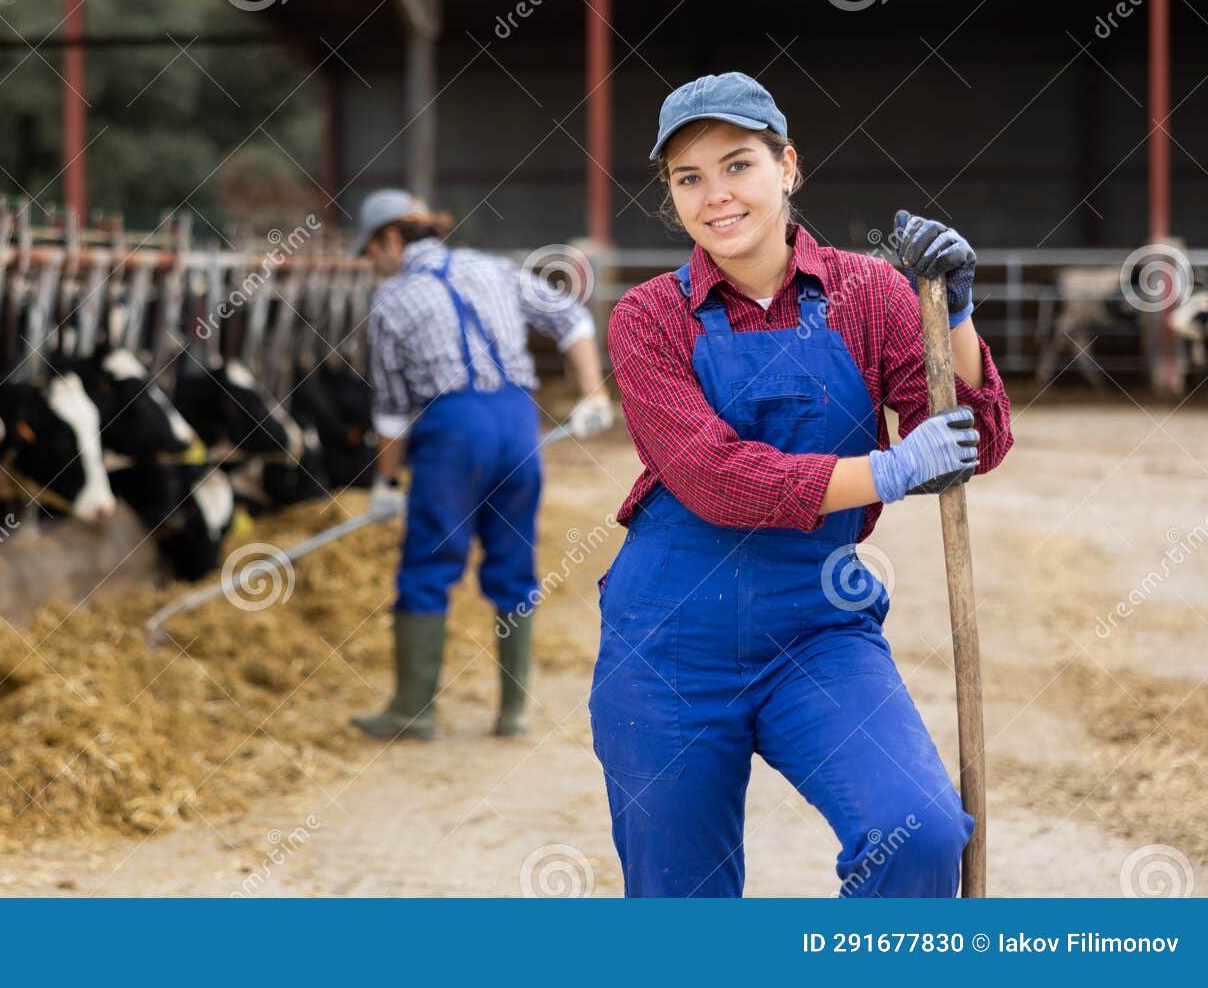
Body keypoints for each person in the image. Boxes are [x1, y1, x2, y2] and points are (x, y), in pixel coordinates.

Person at [593, 72, 1014, 897]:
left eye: (737, 164)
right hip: (669, 640)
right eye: (689, 178)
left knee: (921, 834)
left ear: (788, 166)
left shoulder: (872, 293)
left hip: (819, 624)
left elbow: (979, 442)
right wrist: (889, 470)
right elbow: (713, 477)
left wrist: (955, 319)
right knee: (685, 911)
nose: (716, 195)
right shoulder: (647, 318)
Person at [351, 189, 612, 740]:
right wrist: (592, 394)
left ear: (393, 238)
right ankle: (512, 713)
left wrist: (386, 481)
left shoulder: (390, 301)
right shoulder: (489, 267)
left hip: (452, 429)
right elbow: (571, 318)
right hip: (519, 421)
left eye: (371, 251)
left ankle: (413, 712)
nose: (371, 264)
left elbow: (393, 415)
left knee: (429, 562)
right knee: (513, 561)